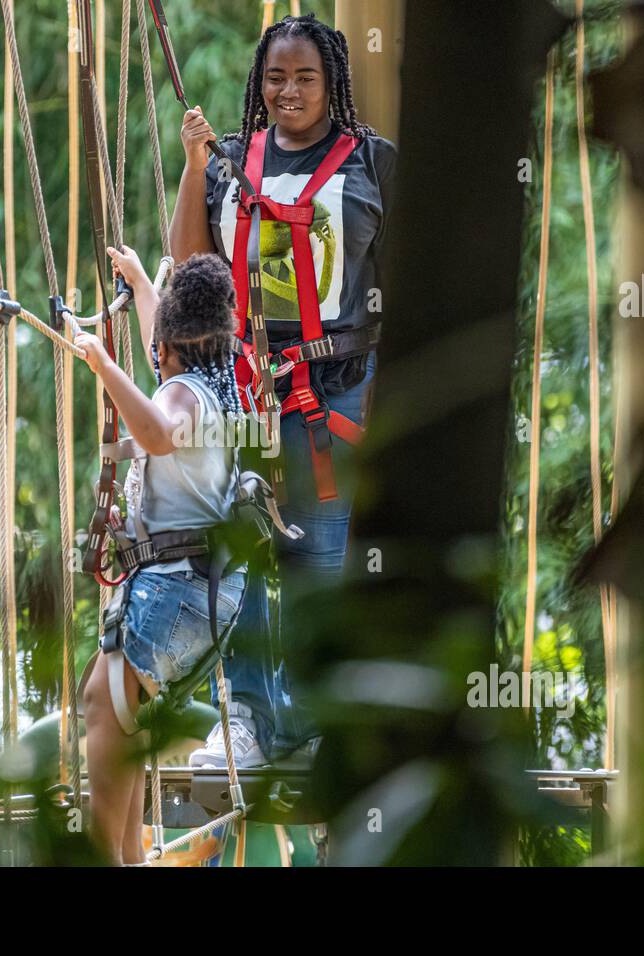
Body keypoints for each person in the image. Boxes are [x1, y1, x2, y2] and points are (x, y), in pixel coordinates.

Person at [169, 14, 397, 768]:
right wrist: (195, 164)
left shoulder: (372, 163)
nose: (289, 91)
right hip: (246, 390)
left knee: (322, 555)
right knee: (243, 554)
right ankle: (251, 722)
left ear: (332, 79)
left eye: (305, 76)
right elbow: (192, 266)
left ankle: (325, 718)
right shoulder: (233, 162)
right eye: (275, 77)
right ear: (257, 84)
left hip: (337, 390)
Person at [77, 249, 249, 865]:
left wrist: (100, 362)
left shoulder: (181, 396)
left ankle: (108, 857)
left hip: (178, 585)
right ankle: (125, 856)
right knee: (117, 708)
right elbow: (163, 343)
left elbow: (153, 431)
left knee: (105, 703)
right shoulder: (218, 384)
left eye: (158, 350)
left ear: (170, 349)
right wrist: (146, 284)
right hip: (207, 589)